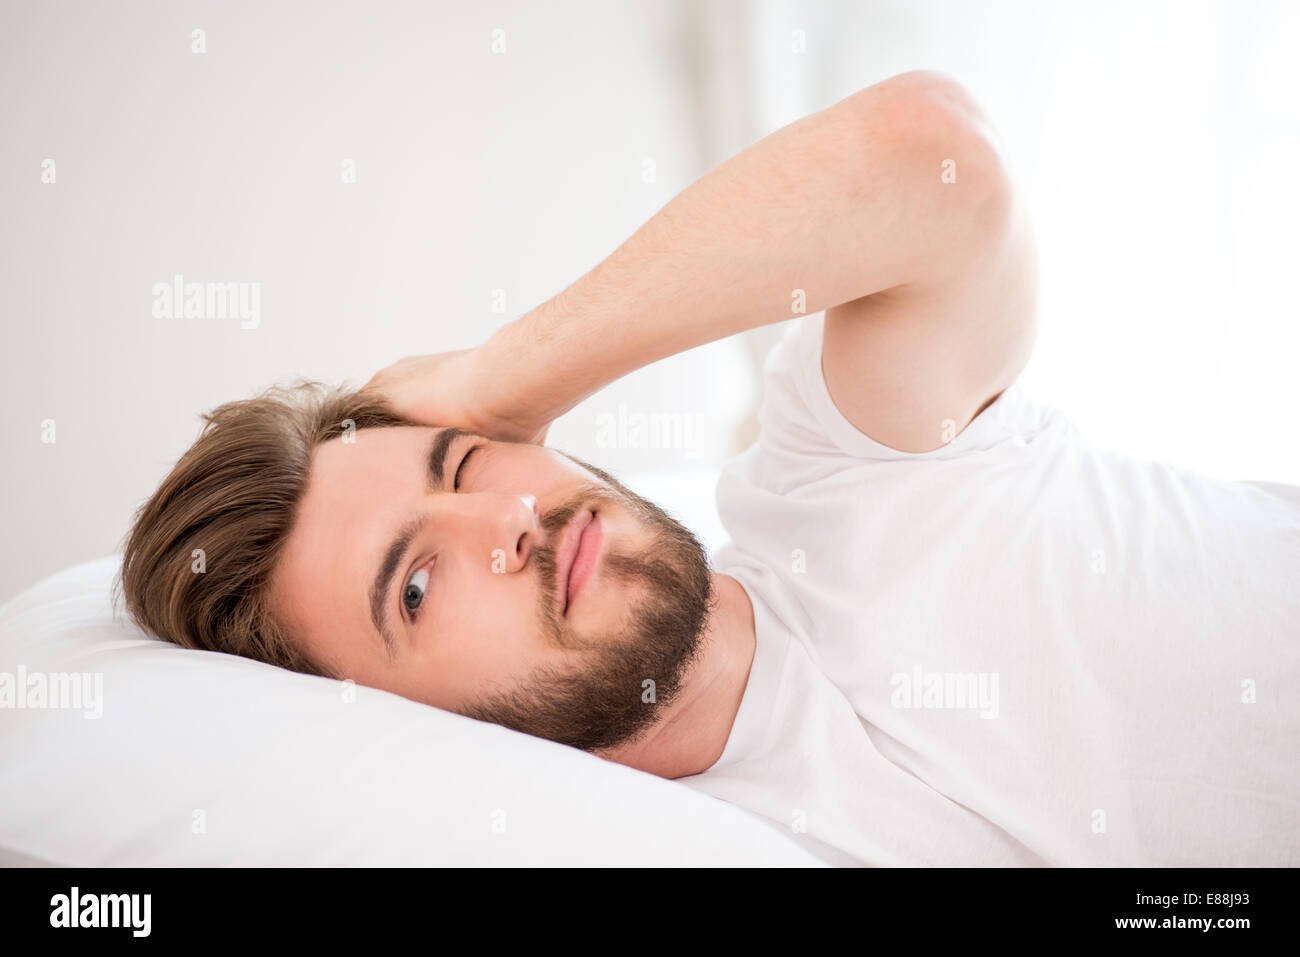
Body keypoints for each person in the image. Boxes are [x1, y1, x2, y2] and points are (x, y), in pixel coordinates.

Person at [120, 70, 1300, 866]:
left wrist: (494, 379)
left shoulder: (847, 477)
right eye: (415, 589)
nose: (506, 522)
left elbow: (937, 157)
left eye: (471, 462)